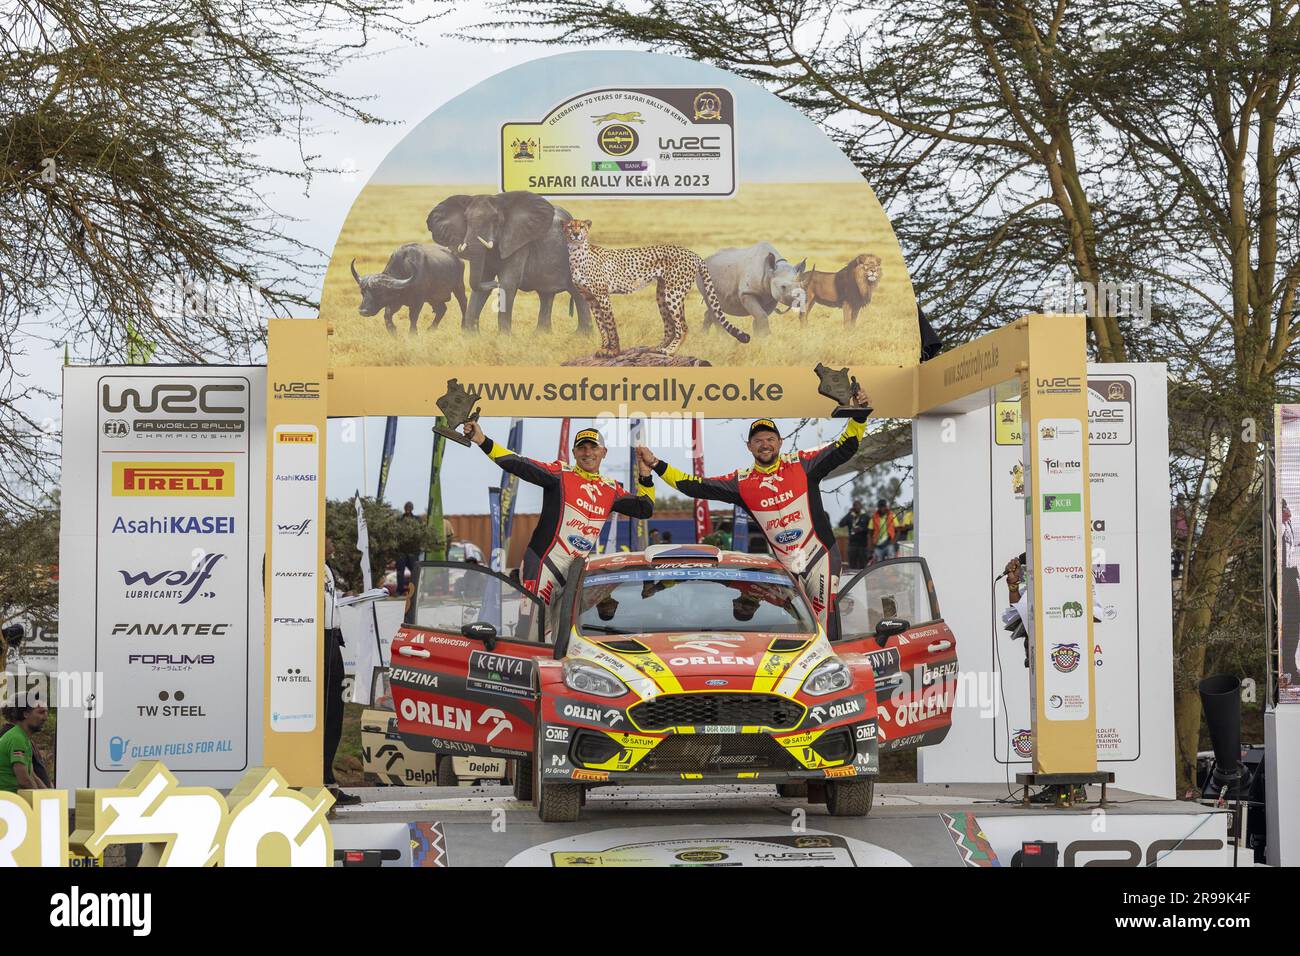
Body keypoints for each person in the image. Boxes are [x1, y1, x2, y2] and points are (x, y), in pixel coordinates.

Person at [639, 392, 871, 634]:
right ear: (749, 446)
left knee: (824, 619)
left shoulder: (802, 463)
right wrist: (656, 463)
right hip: (787, 565)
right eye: (758, 440)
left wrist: (859, 415)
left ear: (780, 442)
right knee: (801, 626)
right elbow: (694, 485)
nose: (764, 444)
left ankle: (833, 667)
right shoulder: (741, 482)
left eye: (770, 438)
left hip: (819, 555)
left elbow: (845, 446)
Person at [463, 423, 655, 606]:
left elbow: (644, 509)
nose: (587, 452)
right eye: (582, 448)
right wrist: (482, 440)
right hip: (545, 564)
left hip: (575, 572)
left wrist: (645, 476)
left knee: (563, 633)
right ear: (574, 453)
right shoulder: (560, 474)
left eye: (593, 447)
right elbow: (518, 464)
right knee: (534, 629)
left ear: (604, 452)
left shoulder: (611, 489)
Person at [322, 539, 359, 807]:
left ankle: (328, 780)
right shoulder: (300, 567)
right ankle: (321, 782)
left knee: (335, 714)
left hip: (333, 640)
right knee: (323, 717)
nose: (333, 543)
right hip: (317, 643)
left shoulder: (326, 568)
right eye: (328, 538)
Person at [0, 704, 48, 793]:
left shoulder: (23, 737)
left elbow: (32, 775)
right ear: (26, 714)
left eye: (46, 712)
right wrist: (41, 799)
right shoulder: (17, 738)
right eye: (41, 712)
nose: (46, 718)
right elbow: (24, 780)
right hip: (7, 800)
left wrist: (48, 795)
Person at [396, 501, 421, 595]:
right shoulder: (400, 520)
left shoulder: (417, 520)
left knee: (414, 572)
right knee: (400, 572)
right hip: (401, 551)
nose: (408, 509)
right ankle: (400, 590)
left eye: (409, 507)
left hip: (412, 552)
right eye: (406, 507)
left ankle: (415, 590)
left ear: (412, 508)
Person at [839, 498, 868, 568]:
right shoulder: (850, 516)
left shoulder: (865, 516)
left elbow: (870, 529)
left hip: (863, 545)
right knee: (852, 565)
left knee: (863, 566)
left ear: (861, 506)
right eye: (855, 506)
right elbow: (841, 524)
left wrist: (861, 529)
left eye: (858, 505)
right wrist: (849, 513)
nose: (857, 507)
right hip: (852, 545)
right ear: (853, 507)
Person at [868, 498, 897, 563]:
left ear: (886, 507)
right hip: (878, 546)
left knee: (891, 564)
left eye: (883, 506)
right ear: (878, 507)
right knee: (877, 566)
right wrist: (871, 547)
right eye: (880, 506)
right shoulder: (874, 517)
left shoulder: (892, 515)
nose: (882, 508)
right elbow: (870, 533)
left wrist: (893, 542)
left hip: (889, 544)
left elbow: (898, 530)